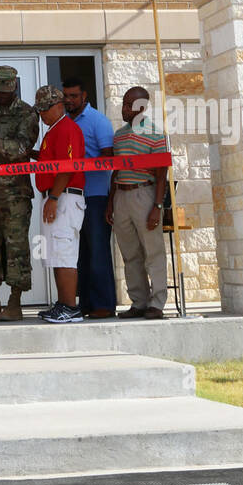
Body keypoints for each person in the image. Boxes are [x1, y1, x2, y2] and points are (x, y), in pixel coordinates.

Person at [107, 86, 169, 320]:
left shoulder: (155, 134)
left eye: (127, 104)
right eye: (123, 103)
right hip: (122, 195)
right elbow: (115, 171)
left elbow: (161, 174)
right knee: (130, 252)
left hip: (145, 194)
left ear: (141, 107)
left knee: (153, 251)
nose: (123, 108)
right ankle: (139, 302)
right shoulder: (119, 135)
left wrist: (157, 206)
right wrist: (111, 202)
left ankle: (157, 303)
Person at [0, 66, 35, 321]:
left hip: (15, 193)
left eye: (6, 90)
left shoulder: (26, 113)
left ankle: (15, 301)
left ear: (14, 87)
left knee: (16, 248)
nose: (1, 95)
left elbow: (24, 147)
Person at [32, 84, 86, 324]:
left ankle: (70, 307)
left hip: (64, 196)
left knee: (64, 254)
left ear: (58, 106)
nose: (42, 114)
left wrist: (53, 198)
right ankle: (62, 303)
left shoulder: (66, 129)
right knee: (54, 253)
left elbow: (67, 167)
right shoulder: (54, 130)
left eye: (45, 109)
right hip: (56, 196)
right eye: (39, 110)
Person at [63, 75, 117, 319]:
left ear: (85, 96)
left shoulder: (98, 121)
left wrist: (78, 164)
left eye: (74, 96)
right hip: (73, 196)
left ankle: (104, 305)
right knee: (80, 253)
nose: (69, 100)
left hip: (95, 196)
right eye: (66, 96)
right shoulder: (64, 122)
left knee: (97, 252)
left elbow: (108, 158)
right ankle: (86, 305)